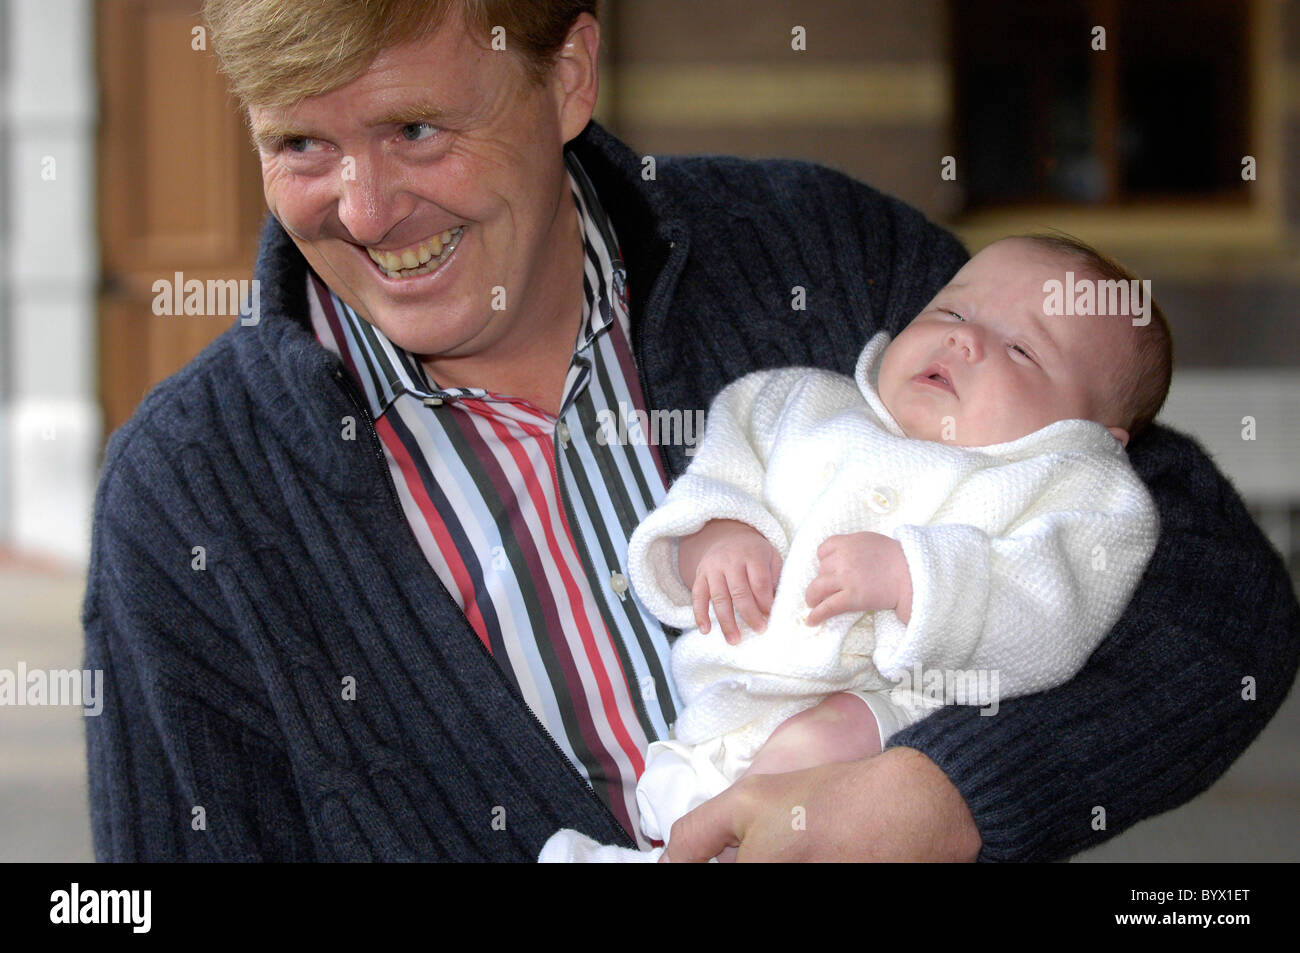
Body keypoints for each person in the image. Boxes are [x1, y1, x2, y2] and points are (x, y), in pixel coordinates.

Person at [82, 0, 1299, 862]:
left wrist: (943, 796)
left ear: (567, 74)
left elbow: (1215, 598)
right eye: (300, 142)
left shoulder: (819, 262)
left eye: (414, 130)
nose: (364, 207)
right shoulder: (189, 498)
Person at [540, 234, 1167, 862]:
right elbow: (715, 480)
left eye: (1022, 350)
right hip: (727, 714)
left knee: (813, 755)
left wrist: (914, 579)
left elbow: (1050, 609)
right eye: (951, 311)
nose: (964, 339)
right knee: (713, 807)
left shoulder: (1074, 490)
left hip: (893, 710)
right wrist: (718, 536)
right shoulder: (796, 402)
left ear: (1094, 438)